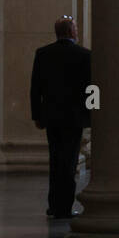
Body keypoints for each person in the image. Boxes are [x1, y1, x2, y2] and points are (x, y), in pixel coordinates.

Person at [30, 16, 92, 219]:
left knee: (55, 160)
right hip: (74, 118)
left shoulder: (43, 54)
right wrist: (94, 113)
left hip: (52, 117)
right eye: (75, 27)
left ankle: (54, 205)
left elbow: (35, 88)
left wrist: (37, 115)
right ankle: (64, 207)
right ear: (71, 32)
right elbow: (92, 88)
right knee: (69, 162)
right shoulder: (84, 55)